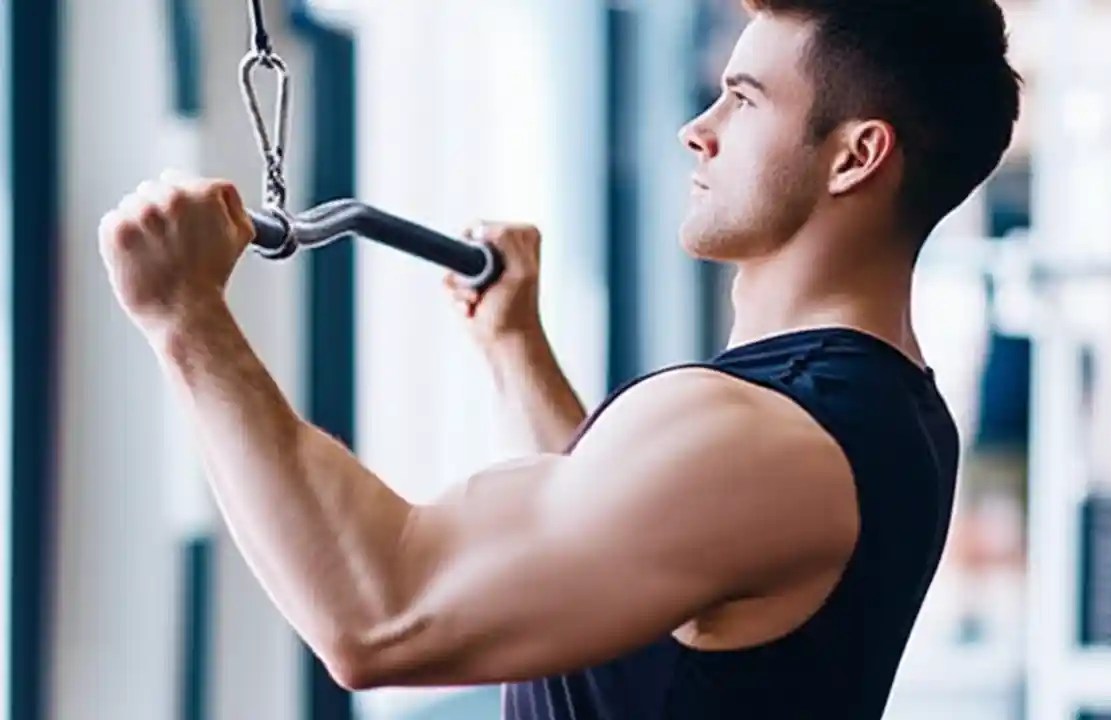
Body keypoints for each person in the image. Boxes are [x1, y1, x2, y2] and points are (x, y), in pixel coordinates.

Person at [97, 0, 1021, 716]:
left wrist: (187, 319)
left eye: (742, 101)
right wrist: (516, 350)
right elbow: (636, 556)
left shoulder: (766, 441)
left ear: (856, 157)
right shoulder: (877, 408)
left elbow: (381, 614)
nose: (695, 129)